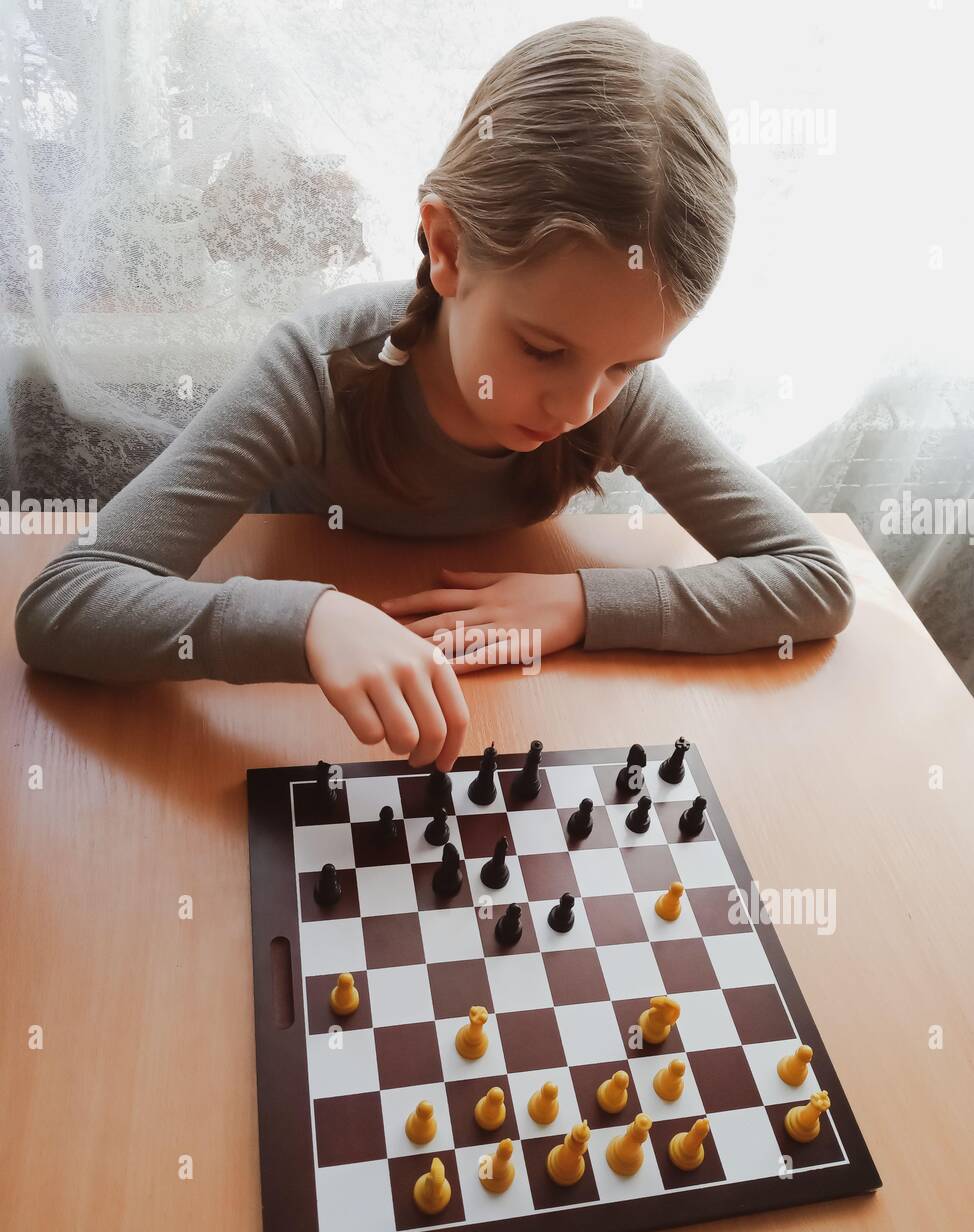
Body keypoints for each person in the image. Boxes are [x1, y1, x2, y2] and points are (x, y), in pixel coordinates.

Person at [14, 17, 855, 775]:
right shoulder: (316, 369)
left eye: (628, 366)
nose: (577, 406)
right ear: (447, 247)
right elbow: (65, 604)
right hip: (300, 724)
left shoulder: (608, 387)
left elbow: (816, 579)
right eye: (542, 350)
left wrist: (580, 603)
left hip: (519, 709)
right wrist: (307, 622)